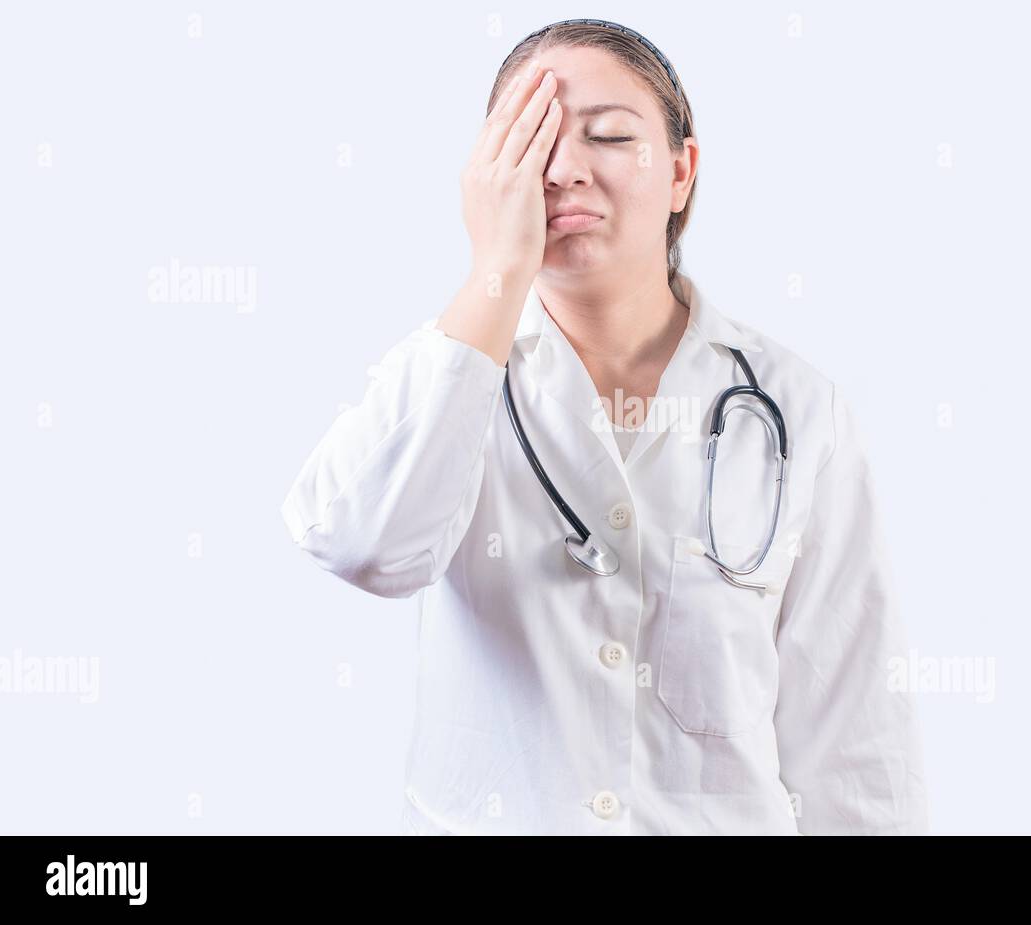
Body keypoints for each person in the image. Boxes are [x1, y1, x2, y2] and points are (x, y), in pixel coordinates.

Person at [280, 20, 929, 835]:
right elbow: (364, 546)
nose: (564, 169)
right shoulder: (449, 373)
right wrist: (495, 274)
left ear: (682, 172)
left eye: (611, 136)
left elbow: (857, 744)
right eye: (531, 142)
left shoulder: (799, 409)